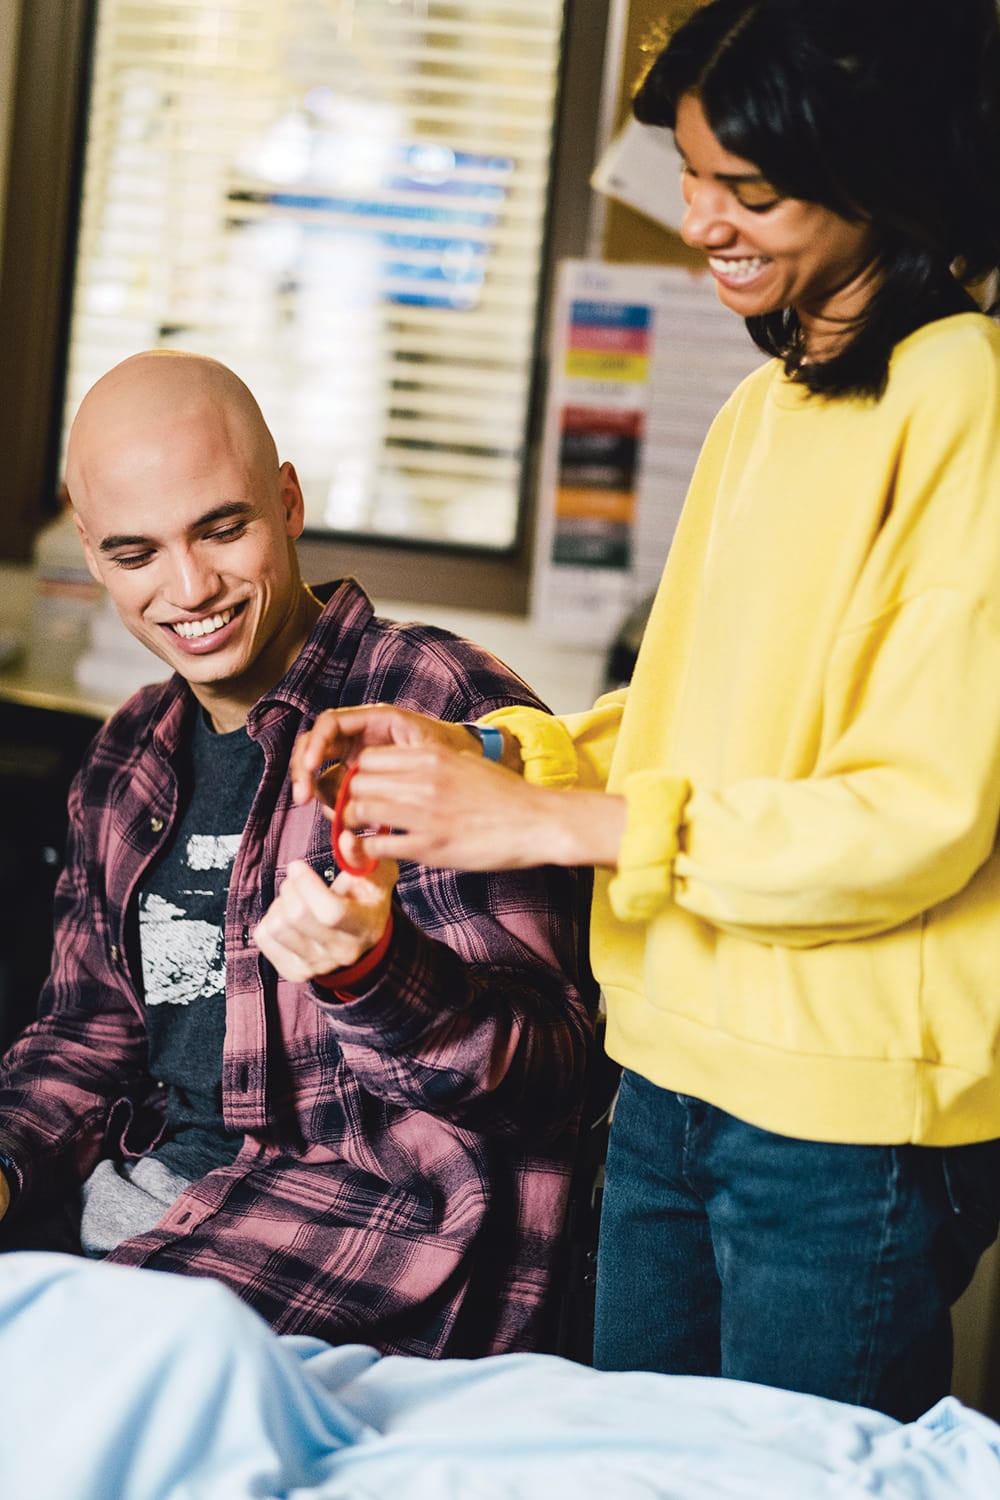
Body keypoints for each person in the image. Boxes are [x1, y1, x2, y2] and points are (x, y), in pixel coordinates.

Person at [282, 0, 1000, 1421]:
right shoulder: (770, 406)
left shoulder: (965, 401)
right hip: (664, 1065)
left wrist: (554, 816)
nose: (701, 222)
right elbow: (683, 720)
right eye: (689, 173)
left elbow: (915, 818)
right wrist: (482, 757)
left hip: (836, 1120)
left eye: (753, 190)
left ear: (891, 178)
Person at [0, 348, 595, 1359]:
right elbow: (86, 1035)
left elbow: (553, 1080)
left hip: (357, 1256)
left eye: (221, 529)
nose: (189, 588)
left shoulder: (432, 707)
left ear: (287, 500)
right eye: (137, 554)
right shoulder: (125, 754)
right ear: (93, 555)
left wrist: (374, 975)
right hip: (119, 1233)